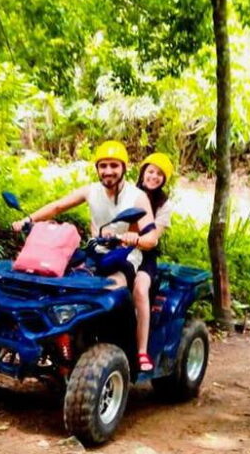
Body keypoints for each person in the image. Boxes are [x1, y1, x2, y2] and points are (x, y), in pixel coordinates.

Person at [12, 140, 158, 291]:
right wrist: (27, 220)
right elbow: (57, 206)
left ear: (124, 168)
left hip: (124, 257)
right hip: (95, 253)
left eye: (114, 165)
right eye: (103, 166)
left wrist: (134, 239)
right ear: (97, 169)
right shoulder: (90, 191)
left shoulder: (138, 197)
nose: (108, 171)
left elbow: (152, 239)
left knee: (108, 292)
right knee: (61, 286)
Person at [132, 153, 174, 372]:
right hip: (118, 251)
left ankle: (141, 350)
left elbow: (153, 236)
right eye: (150, 171)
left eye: (159, 174)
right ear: (143, 171)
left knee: (140, 289)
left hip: (145, 255)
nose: (154, 176)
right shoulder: (128, 192)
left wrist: (137, 239)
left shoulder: (164, 205)